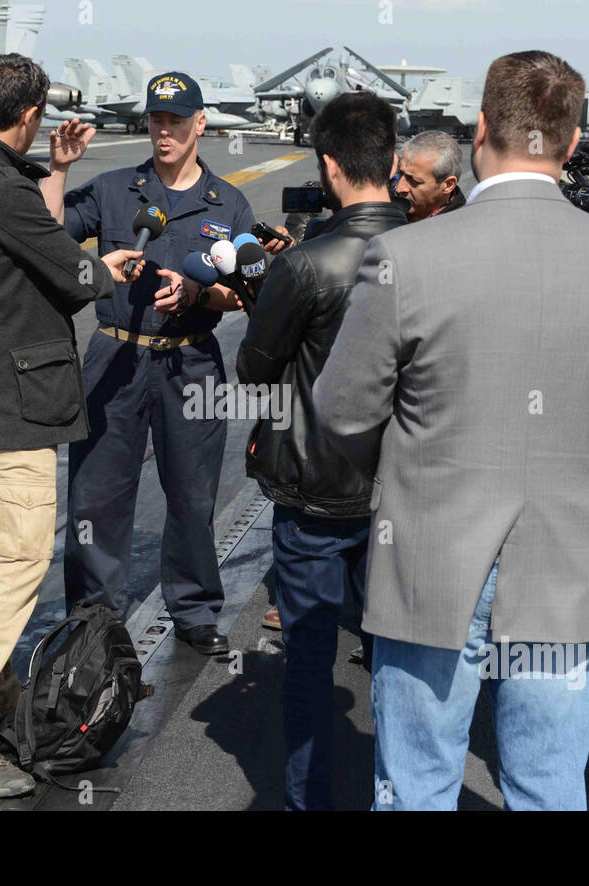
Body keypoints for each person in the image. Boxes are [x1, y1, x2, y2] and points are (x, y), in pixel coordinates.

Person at [314, 50, 589, 811]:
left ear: (480, 130)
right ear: (573, 142)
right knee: (549, 787)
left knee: (417, 784)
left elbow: (342, 409)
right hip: (565, 560)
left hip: (431, 558)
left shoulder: (407, 254)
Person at [0, 54, 148, 799]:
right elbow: (79, 277)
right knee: (17, 569)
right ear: (27, 117)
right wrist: (108, 268)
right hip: (14, 409)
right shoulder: (4, 190)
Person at [41, 71, 286, 655]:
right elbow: (48, 243)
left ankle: (195, 609)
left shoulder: (228, 202)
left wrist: (200, 294)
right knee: (97, 495)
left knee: (193, 492)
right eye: (156, 120)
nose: (164, 131)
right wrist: (59, 170)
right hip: (115, 351)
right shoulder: (113, 189)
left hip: (191, 362)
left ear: (200, 124)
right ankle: (94, 618)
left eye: (176, 120)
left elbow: (246, 290)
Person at [236, 91, 407, 810]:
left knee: (307, 661)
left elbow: (255, 368)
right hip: (403, 487)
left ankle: (310, 799)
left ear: (330, 167)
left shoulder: (306, 263)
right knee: (404, 663)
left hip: (312, 486)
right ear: (395, 163)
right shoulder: (432, 253)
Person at [393, 130, 466, 221]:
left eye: (414, 182)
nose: (399, 188)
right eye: (400, 173)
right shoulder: (388, 210)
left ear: (448, 185)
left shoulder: (461, 227)